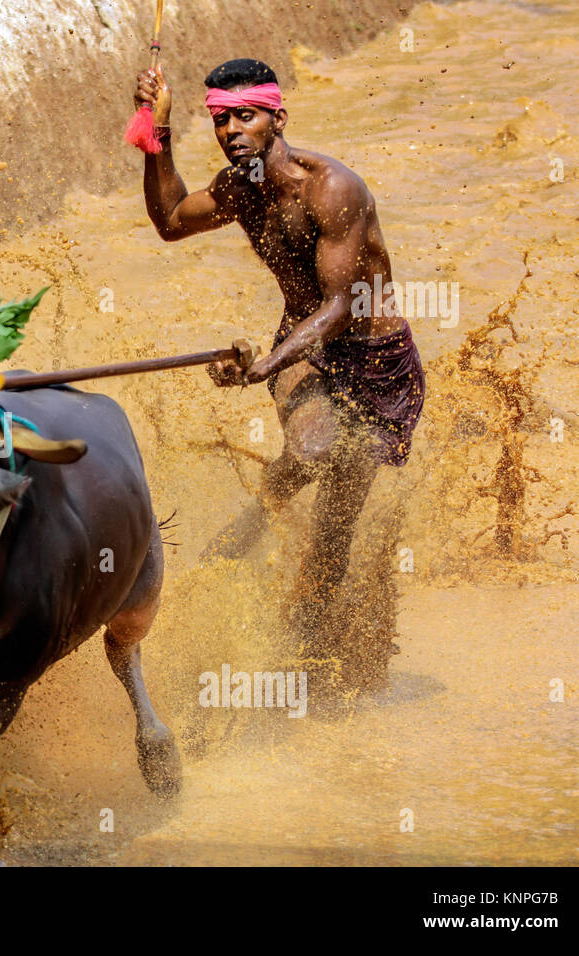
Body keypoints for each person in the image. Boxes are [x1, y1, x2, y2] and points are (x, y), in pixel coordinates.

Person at [133, 57, 425, 646]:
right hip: (307, 353)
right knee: (317, 446)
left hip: (378, 361)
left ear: (278, 119)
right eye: (220, 120)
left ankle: (310, 644)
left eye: (247, 116)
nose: (232, 131)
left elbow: (343, 306)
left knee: (333, 533)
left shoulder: (332, 187)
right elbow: (169, 219)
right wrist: (156, 132)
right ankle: (269, 506)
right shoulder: (239, 190)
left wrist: (262, 365)